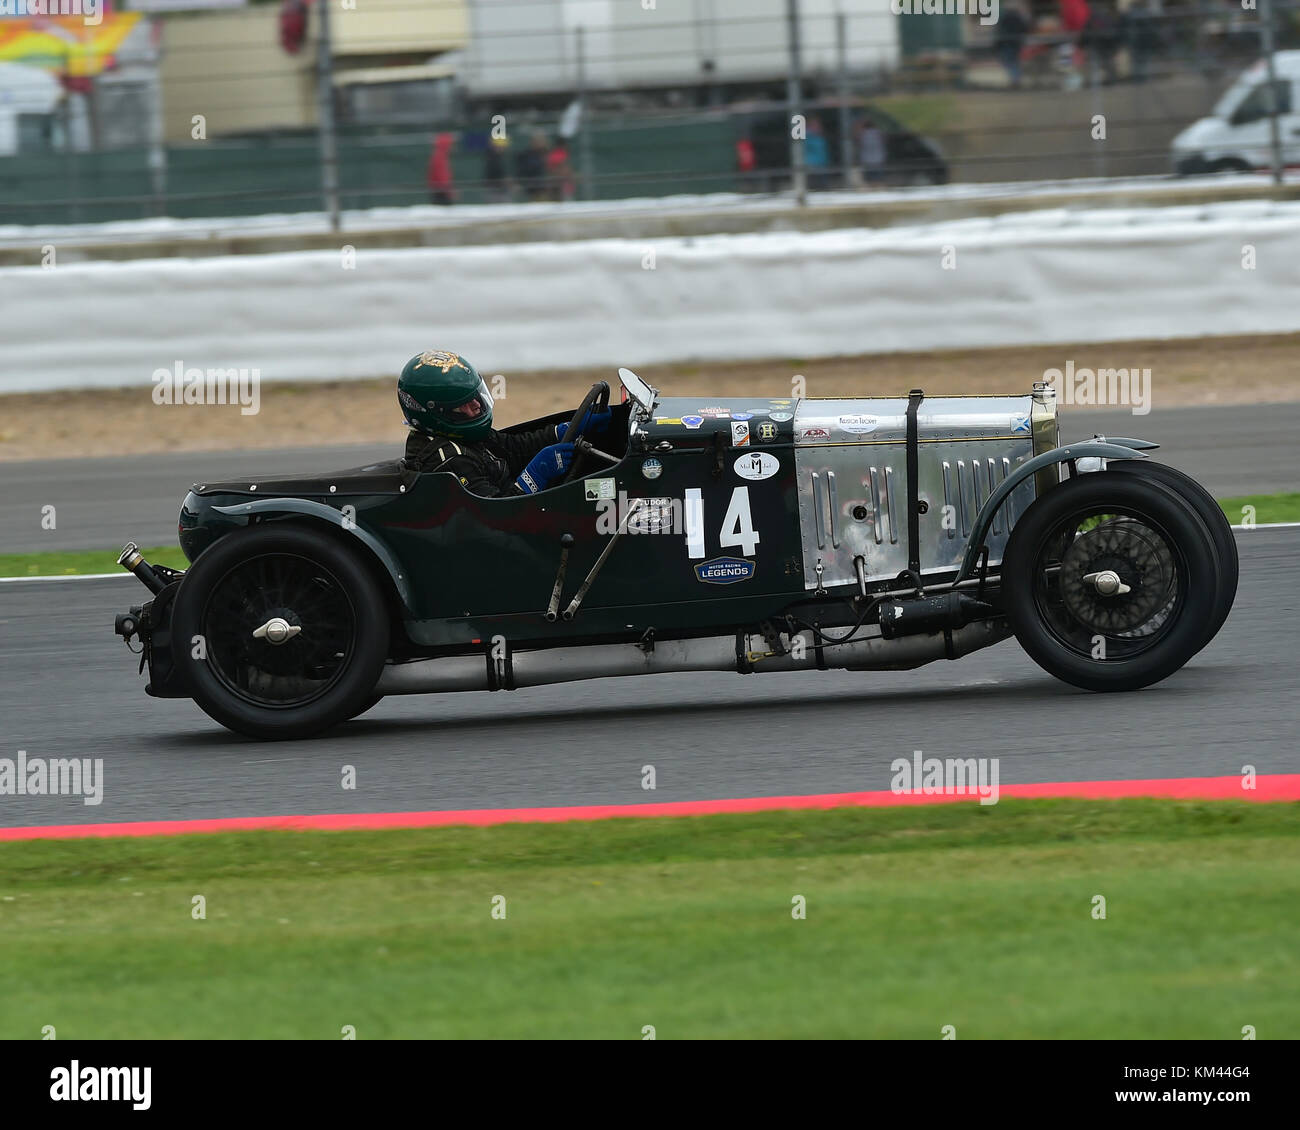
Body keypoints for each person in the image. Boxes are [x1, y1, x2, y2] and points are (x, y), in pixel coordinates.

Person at [398, 350, 610, 497]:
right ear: (437, 413)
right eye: (463, 404)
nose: (476, 406)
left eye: (476, 397)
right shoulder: (448, 459)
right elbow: (496, 515)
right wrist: (536, 474)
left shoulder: (462, 434)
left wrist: (564, 430)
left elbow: (513, 447)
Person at [995, 4, 1032, 89]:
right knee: (1014, 62)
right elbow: (1025, 29)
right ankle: (1016, 80)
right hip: (1015, 42)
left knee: (1009, 62)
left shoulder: (1004, 17)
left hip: (1006, 42)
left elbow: (999, 30)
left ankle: (1015, 80)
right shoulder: (1019, 18)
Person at [427, 132, 456, 206]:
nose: (452, 147)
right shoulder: (439, 157)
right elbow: (442, 177)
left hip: (439, 191)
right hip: (441, 193)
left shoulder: (439, 155)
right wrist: (449, 191)